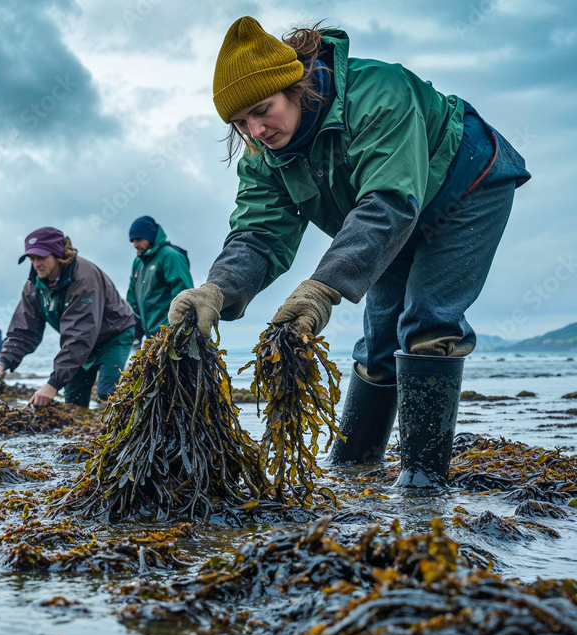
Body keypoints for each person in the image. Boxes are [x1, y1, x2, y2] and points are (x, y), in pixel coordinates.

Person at [169, 17, 530, 488]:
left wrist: (321, 291)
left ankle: (422, 484)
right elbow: (258, 236)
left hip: (465, 185)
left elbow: (388, 202)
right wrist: (215, 290)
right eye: (240, 123)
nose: (255, 131)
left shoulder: (381, 93)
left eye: (263, 110)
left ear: (295, 87)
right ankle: (354, 468)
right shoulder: (265, 157)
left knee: (428, 321)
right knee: (379, 342)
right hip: (389, 214)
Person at [0, 227, 136, 407]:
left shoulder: (83, 280)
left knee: (107, 392)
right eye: (32, 259)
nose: (36, 264)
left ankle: (130, 428)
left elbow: (80, 336)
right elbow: (22, 332)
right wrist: (0, 367)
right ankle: (88, 434)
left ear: (58, 255)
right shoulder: (34, 288)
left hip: (114, 335)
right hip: (82, 344)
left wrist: (52, 384)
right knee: (73, 402)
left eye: (41, 257)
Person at [126, 215, 193, 341]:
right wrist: (135, 334)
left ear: (150, 237)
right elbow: (132, 301)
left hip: (172, 336)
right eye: (133, 240)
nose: (135, 245)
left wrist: (174, 332)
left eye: (139, 239)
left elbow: (184, 296)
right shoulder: (138, 263)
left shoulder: (170, 256)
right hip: (151, 339)